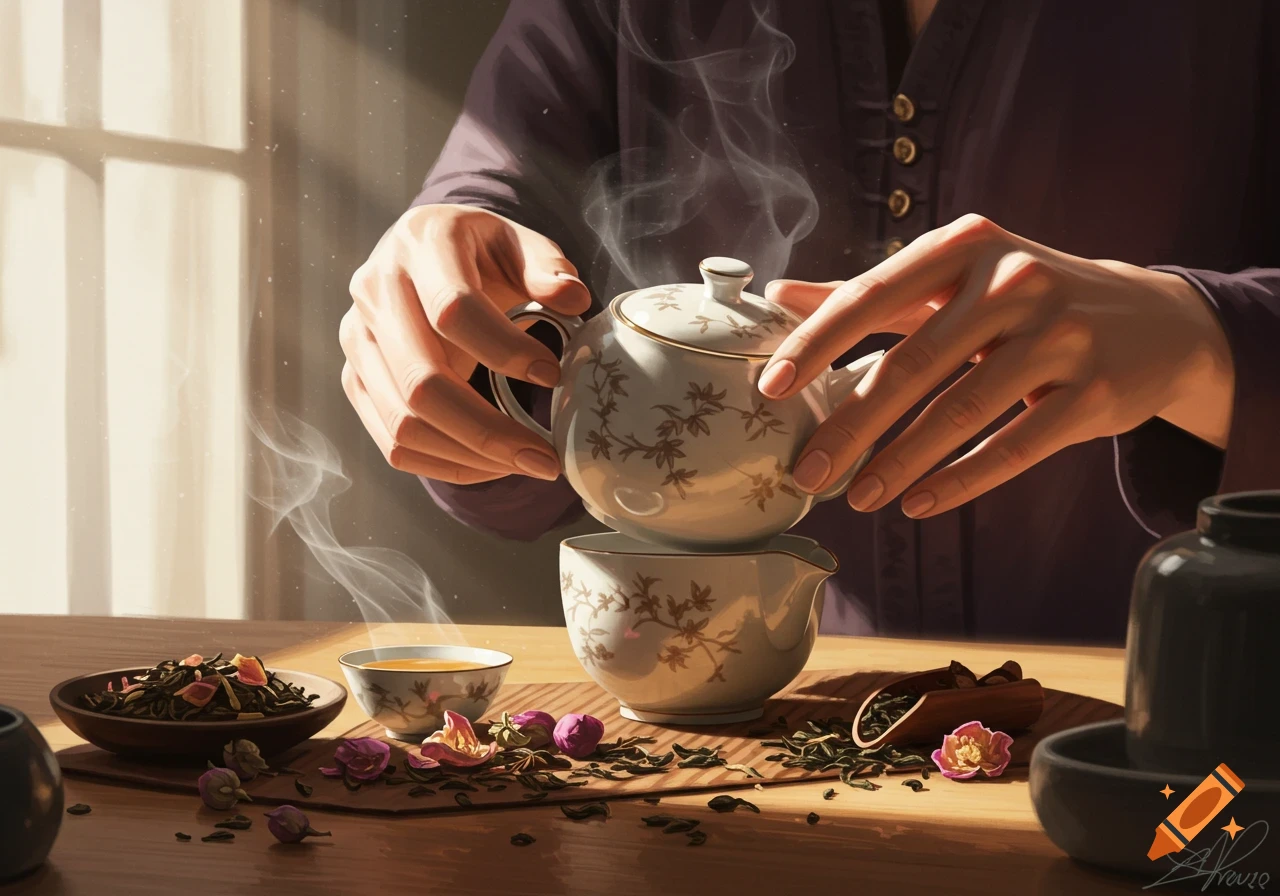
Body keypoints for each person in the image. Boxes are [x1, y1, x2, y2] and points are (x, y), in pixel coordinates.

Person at [339, 0, 1279, 644]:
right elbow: (499, 196)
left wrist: (1205, 339)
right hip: (779, 764)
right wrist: (451, 332)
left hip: (1200, 739)